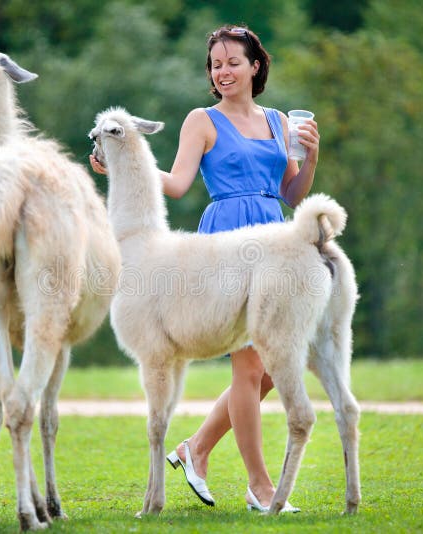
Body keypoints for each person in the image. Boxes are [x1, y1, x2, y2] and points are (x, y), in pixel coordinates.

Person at [90, 24, 319, 511]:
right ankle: (260, 487)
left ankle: (195, 448)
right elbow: (175, 183)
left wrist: (312, 157)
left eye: (233, 62)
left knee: (276, 365)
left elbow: (291, 194)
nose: (223, 72)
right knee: (251, 363)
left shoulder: (280, 121)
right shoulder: (202, 119)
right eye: (216, 65)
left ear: (255, 66)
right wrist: (125, 160)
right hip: (226, 239)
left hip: (273, 234)